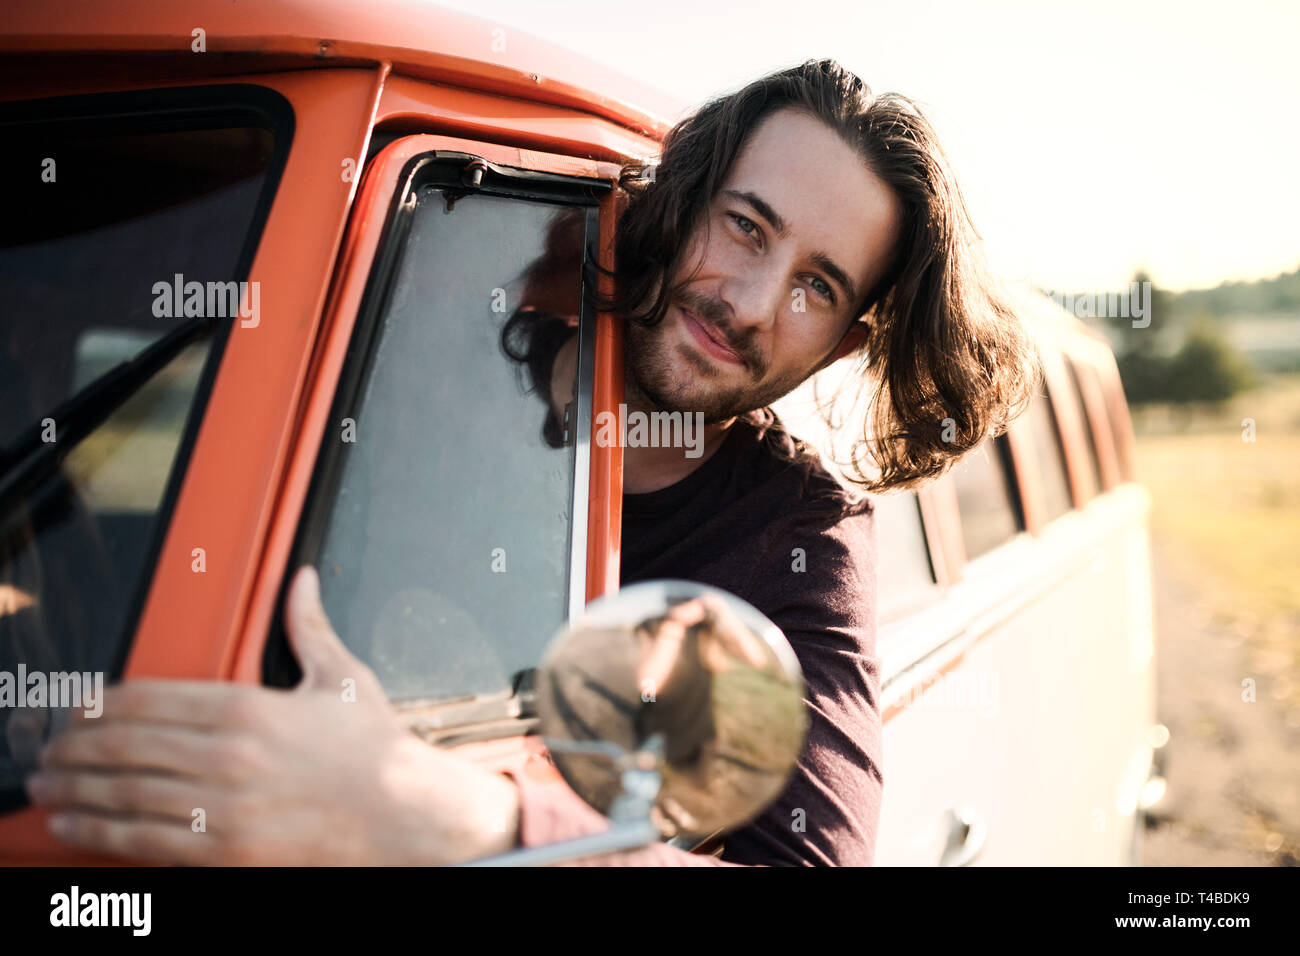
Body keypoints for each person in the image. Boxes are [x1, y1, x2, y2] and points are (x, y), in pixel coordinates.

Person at [25, 59, 1041, 866]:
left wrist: (446, 810)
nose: (751, 303)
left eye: (816, 286)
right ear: (680, 203)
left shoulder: (797, 536)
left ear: (842, 344)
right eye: (744, 225)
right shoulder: (422, 350)